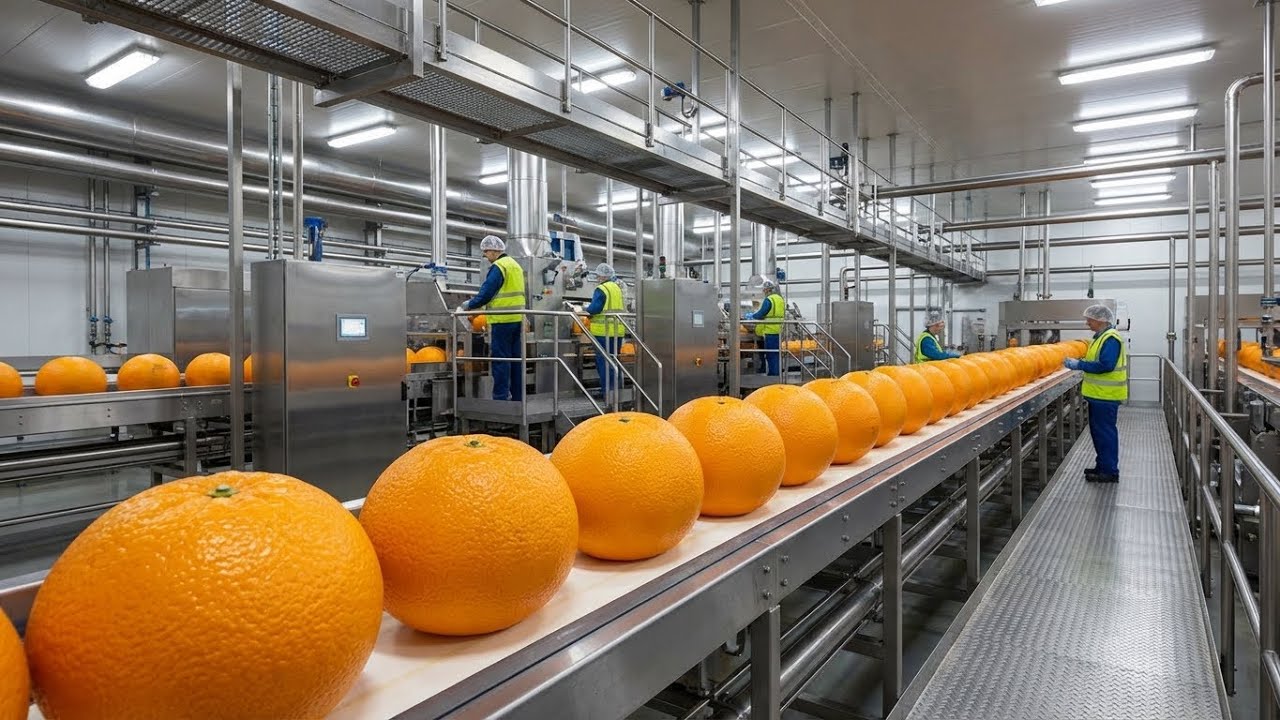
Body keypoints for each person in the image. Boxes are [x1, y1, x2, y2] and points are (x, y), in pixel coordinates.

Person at [1064, 304, 1127, 483]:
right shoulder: (1101, 337)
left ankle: (1109, 471)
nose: (1087, 323)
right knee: (1099, 433)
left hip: (1106, 397)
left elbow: (1106, 365)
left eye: (1089, 320)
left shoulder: (1111, 338)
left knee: (1105, 434)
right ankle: (1102, 466)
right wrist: (1082, 362)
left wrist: (1079, 365)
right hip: (1099, 396)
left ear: (1100, 320)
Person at [458, 236, 525, 401]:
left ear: (494, 251)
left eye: (486, 252)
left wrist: (468, 305)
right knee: (516, 359)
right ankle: (518, 397)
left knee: (500, 360)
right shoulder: (514, 265)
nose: (486, 256)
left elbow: (486, 293)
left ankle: (500, 397)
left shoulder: (499, 266)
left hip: (502, 321)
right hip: (517, 320)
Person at [583, 263, 625, 398]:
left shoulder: (601, 289)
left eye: (597, 275)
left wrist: (584, 309)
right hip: (617, 331)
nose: (597, 278)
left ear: (601, 276)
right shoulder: (616, 288)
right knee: (614, 361)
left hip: (603, 332)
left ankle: (607, 392)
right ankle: (616, 391)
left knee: (604, 363)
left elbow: (595, 308)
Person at [749, 279, 785, 376]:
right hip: (779, 329)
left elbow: (761, 313)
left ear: (767, 290)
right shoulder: (780, 299)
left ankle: (773, 374)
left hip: (770, 330)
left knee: (770, 354)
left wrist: (752, 316)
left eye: (764, 290)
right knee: (776, 353)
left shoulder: (769, 300)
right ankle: (777, 373)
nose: (764, 292)